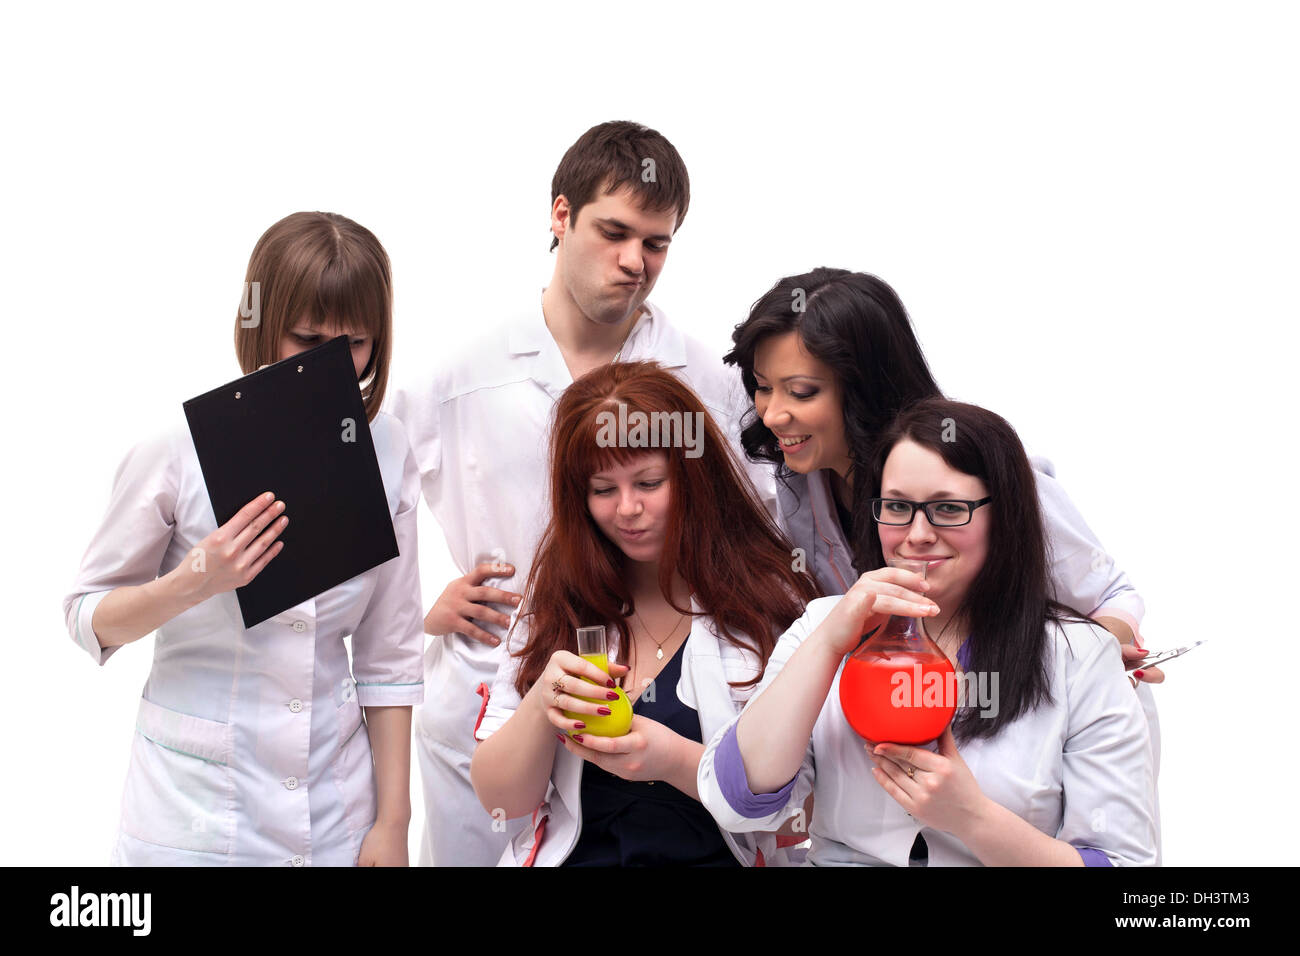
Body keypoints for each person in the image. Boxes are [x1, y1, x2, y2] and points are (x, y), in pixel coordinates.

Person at [388, 121, 769, 866]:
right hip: (495, 693)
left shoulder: (705, 383)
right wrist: (419, 614)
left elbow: (756, 533)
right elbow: (362, 514)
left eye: (656, 243)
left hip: (662, 679)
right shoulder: (462, 375)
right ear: (560, 215)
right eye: (614, 232)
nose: (635, 263)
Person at [63, 211, 424, 866]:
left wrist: (393, 821)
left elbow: (389, 654)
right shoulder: (176, 449)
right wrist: (195, 579)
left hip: (336, 805)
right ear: (260, 323)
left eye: (355, 343)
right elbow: (88, 617)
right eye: (307, 337)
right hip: (195, 813)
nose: (330, 364)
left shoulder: (388, 448)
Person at [699, 398, 1159, 866]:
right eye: (898, 506)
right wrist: (829, 644)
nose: (917, 534)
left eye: (948, 508)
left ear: (1004, 516)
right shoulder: (826, 626)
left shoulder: (1078, 655)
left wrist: (972, 818)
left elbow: (1123, 861)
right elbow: (737, 802)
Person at [725, 267, 1164, 685]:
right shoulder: (801, 481)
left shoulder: (980, 469)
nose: (773, 414)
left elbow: (1111, 595)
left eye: (801, 392)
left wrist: (1091, 673)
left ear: (865, 386)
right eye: (763, 386)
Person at [470, 362, 819, 865]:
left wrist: (678, 764)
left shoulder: (769, 603)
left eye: (649, 482)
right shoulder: (556, 599)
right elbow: (502, 803)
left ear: (694, 475)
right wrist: (543, 701)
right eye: (603, 489)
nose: (627, 509)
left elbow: (801, 813)